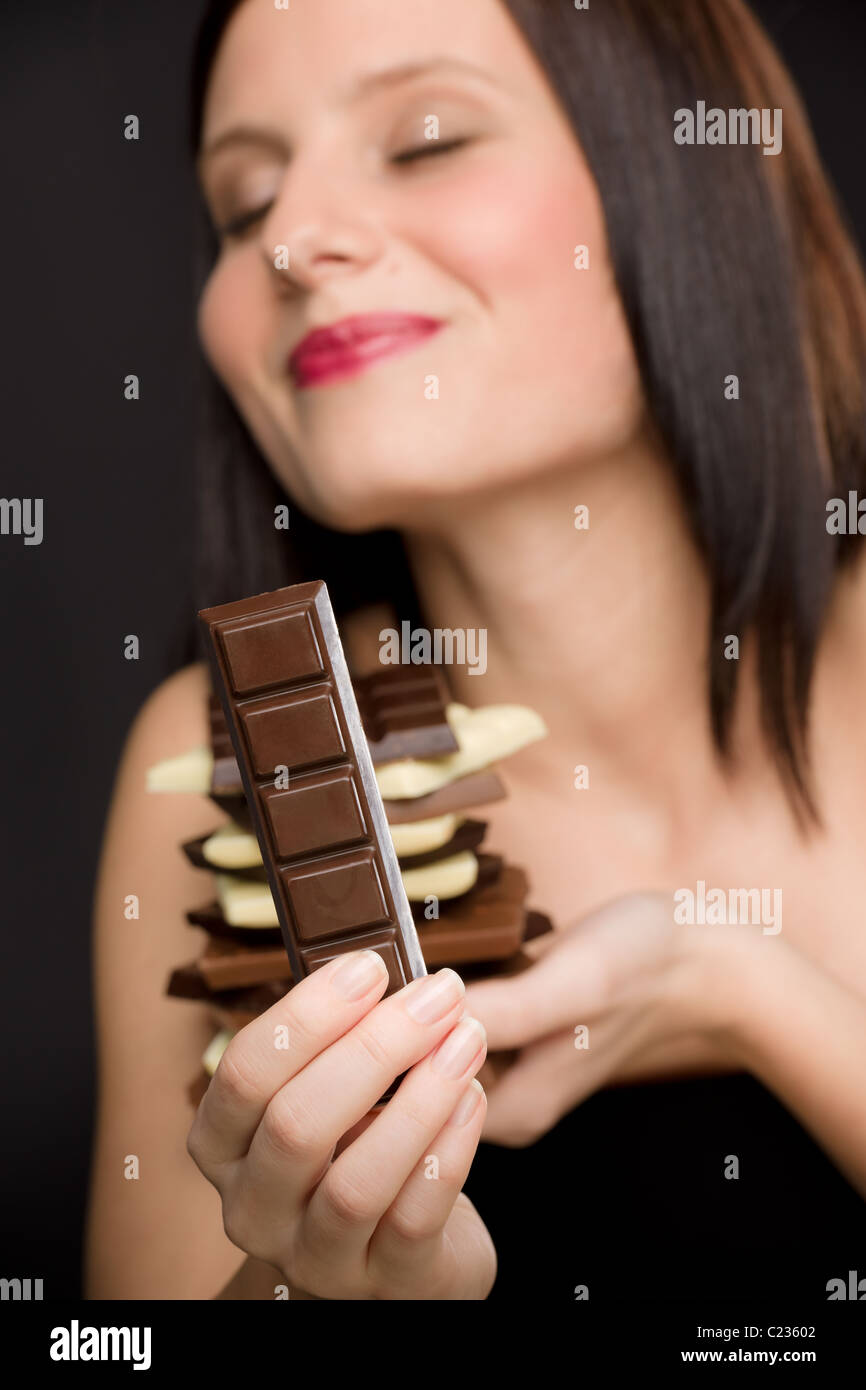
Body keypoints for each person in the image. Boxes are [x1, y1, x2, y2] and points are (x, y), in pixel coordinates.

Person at [86, 0, 866, 1300]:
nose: (290, 240)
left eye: (427, 138)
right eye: (241, 203)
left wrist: (739, 988)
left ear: (688, 173)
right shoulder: (215, 762)